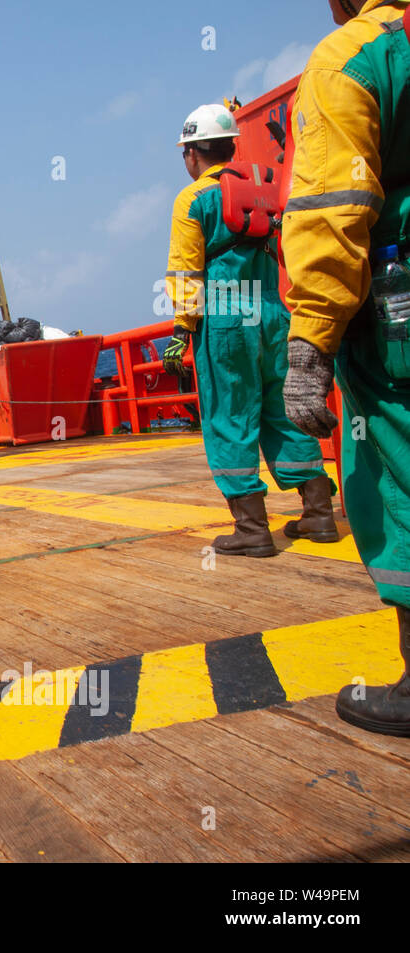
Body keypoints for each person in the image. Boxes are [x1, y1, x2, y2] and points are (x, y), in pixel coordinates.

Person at [282, 0, 410, 735]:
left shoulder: (351, 57)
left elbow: (337, 208)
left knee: (396, 470)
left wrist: (312, 348)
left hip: (393, 313)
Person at [162, 103, 338, 557]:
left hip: (225, 323)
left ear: (191, 154)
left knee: (230, 416)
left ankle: (252, 529)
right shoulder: (263, 188)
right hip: (273, 315)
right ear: (230, 147)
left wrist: (182, 329)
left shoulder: (193, 199)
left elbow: (185, 272)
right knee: (282, 411)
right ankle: (319, 514)